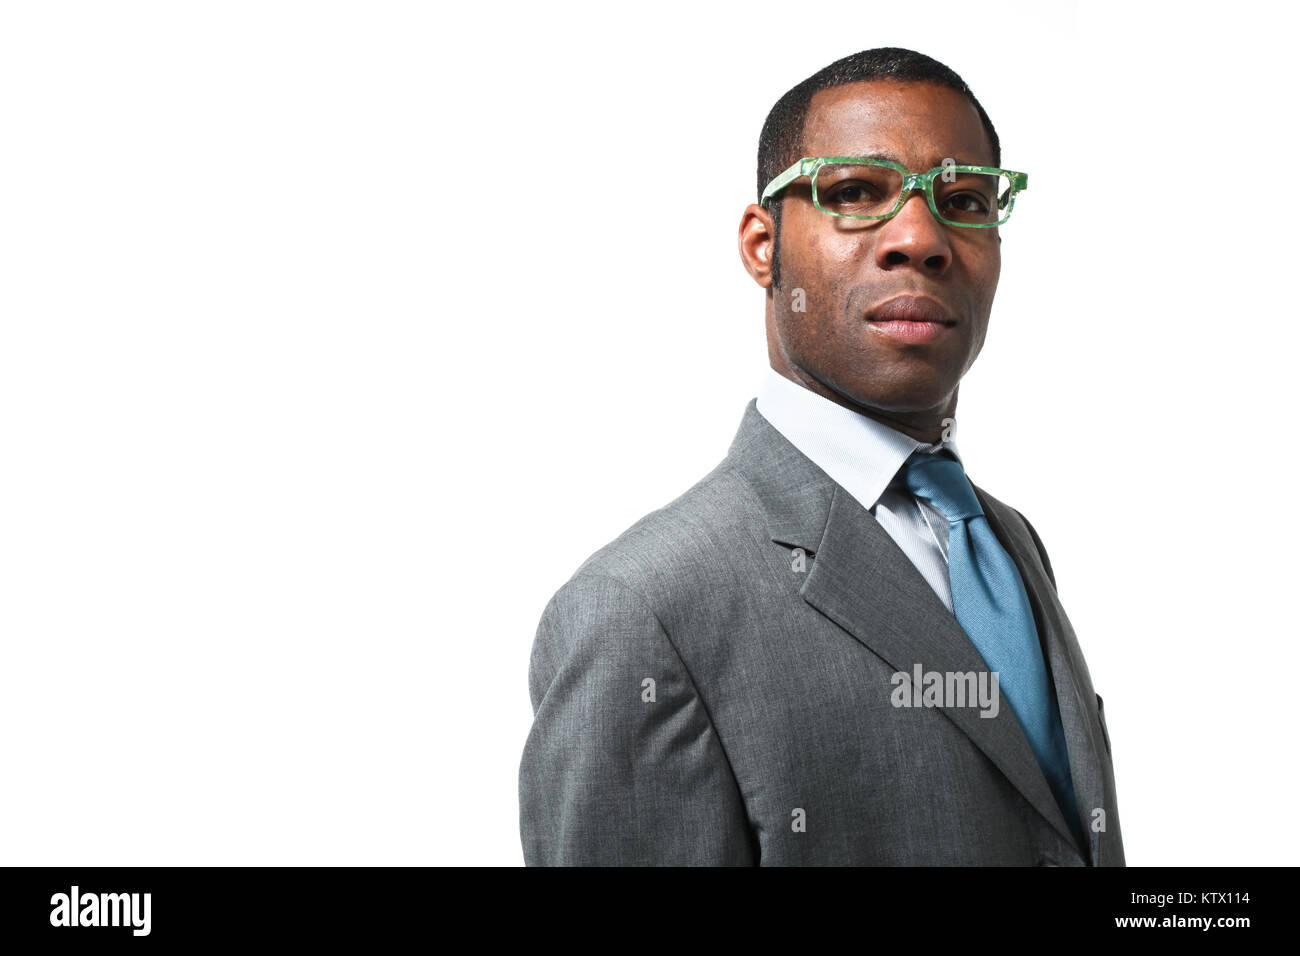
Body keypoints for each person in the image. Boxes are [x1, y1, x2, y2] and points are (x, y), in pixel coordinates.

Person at [518, 47, 1125, 866]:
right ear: (763, 247)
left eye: (964, 199)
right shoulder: (642, 610)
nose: (921, 238)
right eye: (853, 193)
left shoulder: (1008, 543)